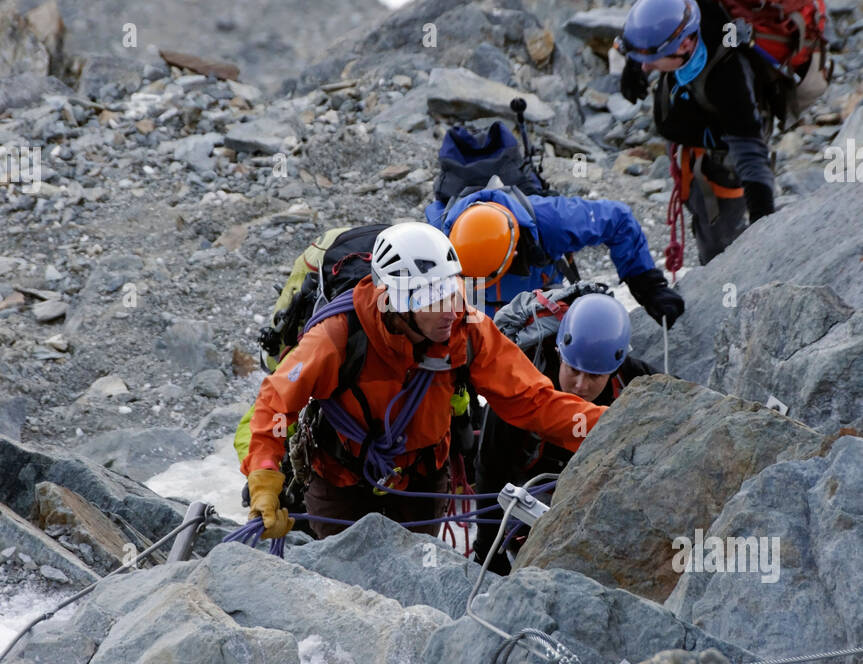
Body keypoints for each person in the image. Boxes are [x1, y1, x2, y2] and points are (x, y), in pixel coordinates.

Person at [241, 222, 608, 541]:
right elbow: (276, 401)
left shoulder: (467, 331)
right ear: (393, 302)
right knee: (348, 584)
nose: (450, 308)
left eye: (452, 289)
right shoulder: (337, 335)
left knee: (414, 586)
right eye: (432, 297)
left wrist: (607, 429)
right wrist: (264, 482)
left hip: (422, 479)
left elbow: (534, 400)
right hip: (341, 481)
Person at [472, 286, 655, 572]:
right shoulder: (520, 385)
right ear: (559, 352)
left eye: (594, 376)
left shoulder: (636, 380)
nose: (581, 385)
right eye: (572, 370)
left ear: (616, 366)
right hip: (530, 495)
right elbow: (491, 469)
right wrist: (487, 550)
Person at [618, 0, 776, 265]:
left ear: (685, 46)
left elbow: (751, 154)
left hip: (722, 165)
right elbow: (644, 37)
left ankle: (724, 280)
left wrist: (764, 226)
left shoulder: (729, 76)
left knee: (718, 243)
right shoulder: (686, 15)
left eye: (651, 60)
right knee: (704, 216)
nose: (645, 68)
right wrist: (633, 61)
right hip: (692, 146)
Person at [425, 186, 684, 328]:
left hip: (540, 302)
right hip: (477, 314)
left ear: (514, 254)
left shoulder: (552, 221)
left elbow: (617, 219)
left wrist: (648, 286)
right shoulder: (436, 240)